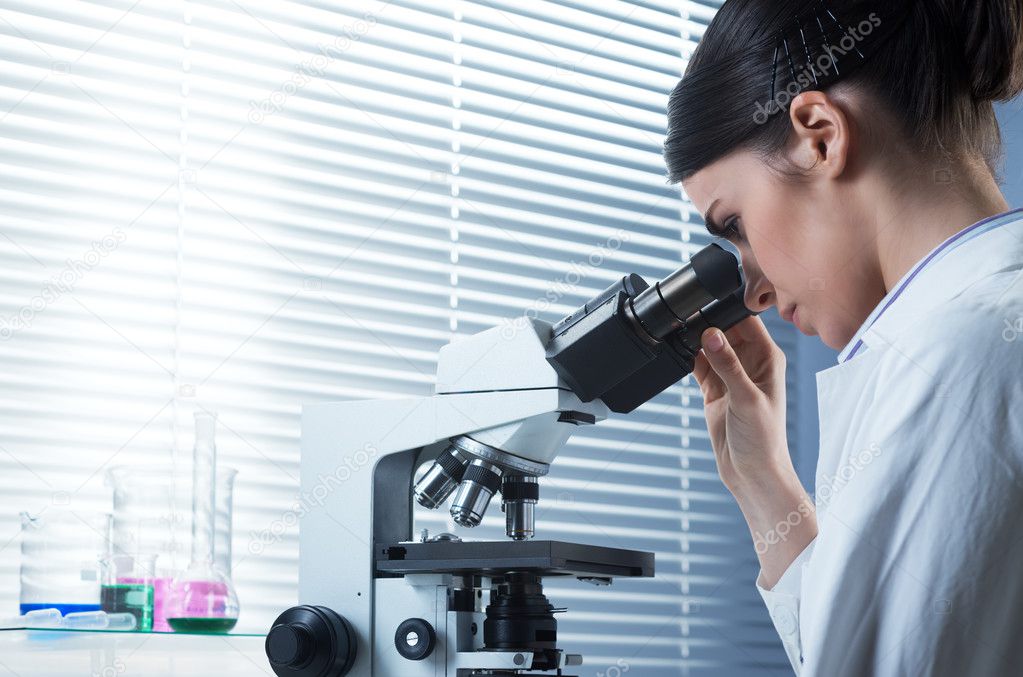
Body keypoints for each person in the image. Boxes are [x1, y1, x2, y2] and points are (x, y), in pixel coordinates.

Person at [663, 0, 1023, 674]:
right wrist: (762, 480)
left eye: (734, 222)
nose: (753, 292)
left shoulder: (958, 358)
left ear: (819, 135)